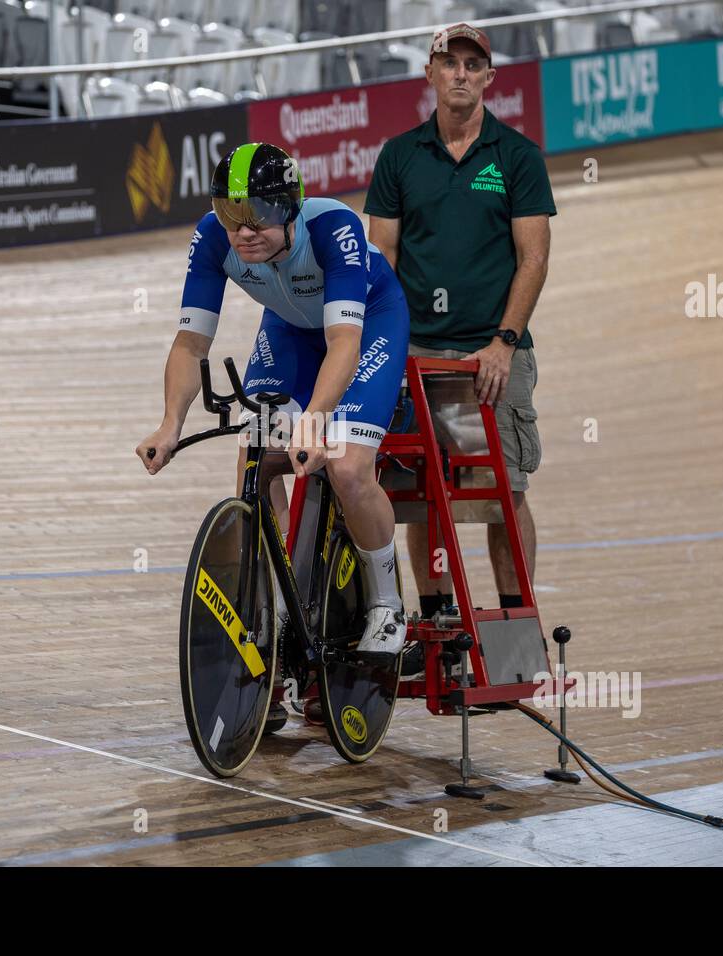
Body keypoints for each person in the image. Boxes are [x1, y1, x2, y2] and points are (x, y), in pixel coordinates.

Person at [135, 142, 410, 671]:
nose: (243, 230)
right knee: (255, 457)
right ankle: (285, 601)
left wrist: (314, 421)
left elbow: (345, 346)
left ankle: (386, 604)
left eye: (258, 214)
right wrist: (170, 425)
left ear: (290, 206)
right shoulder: (212, 238)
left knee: (349, 466)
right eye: (230, 213)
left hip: (365, 323)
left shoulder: (334, 228)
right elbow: (191, 344)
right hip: (289, 328)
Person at [364, 23, 556, 675]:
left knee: (505, 495)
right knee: (423, 498)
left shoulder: (517, 156)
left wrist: (503, 342)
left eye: (475, 65)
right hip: (418, 351)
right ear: (430, 72)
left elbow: (533, 259)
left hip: (491, 355)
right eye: (451, 63)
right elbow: (381, 257)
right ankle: (440, 633)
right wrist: (386, 351)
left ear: (490, 78)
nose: (462, 74)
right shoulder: (398, 157)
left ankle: (512, 641)